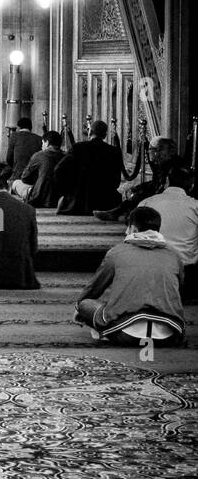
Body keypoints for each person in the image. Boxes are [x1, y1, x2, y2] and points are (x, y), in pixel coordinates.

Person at [74, 206, 185, 345]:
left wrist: (79, 308)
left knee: (86, 304)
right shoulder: (174, 255)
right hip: (169, 334)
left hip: (125, 332)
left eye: (127, 228)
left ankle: (105, 331)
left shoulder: (117, 252)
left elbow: (95, 288)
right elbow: (179, 290)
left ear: (133, 229)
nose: (126, 232)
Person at [137, 169, 198, 303]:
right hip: (186, 277)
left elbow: (133, 238)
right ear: (191, 185)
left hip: (151, 275)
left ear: (167, 182)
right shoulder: (195, 206)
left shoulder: (146, 203)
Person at [95, 137, 184, 223]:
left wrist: (144, 193)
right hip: (162, 194)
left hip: (171, 199)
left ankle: (120, 214)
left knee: (139, 196)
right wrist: (137, 188)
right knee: (137, 193)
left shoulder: (174, 166)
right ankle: (119, 212)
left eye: (158, 150)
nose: (155, 154)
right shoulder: (165, 164)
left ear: (167, 151)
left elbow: (163, 187)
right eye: (155, 150)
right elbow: (155, 182)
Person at [55, 120, 123, 215]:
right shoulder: (113, 151)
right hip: (105, 203)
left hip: (77, 202)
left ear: (90, 132)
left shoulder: (77, 148)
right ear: (105, 135)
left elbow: (58, 170)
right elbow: (116, 181)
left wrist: (69, 191)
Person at [13, 130, 65, 207]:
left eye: (43, 143)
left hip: (39, 198)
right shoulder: (65, 157)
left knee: (16, 183)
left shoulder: (39, 155)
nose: (42, 146)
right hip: (58, 199)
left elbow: (24, 177)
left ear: (47, 142)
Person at [3, 117, 43, 183]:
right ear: (31, 127)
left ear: (19, 127)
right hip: (34, 178)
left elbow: (9, 158)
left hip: (18, 176)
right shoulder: (39, 138)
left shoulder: (14, 136)